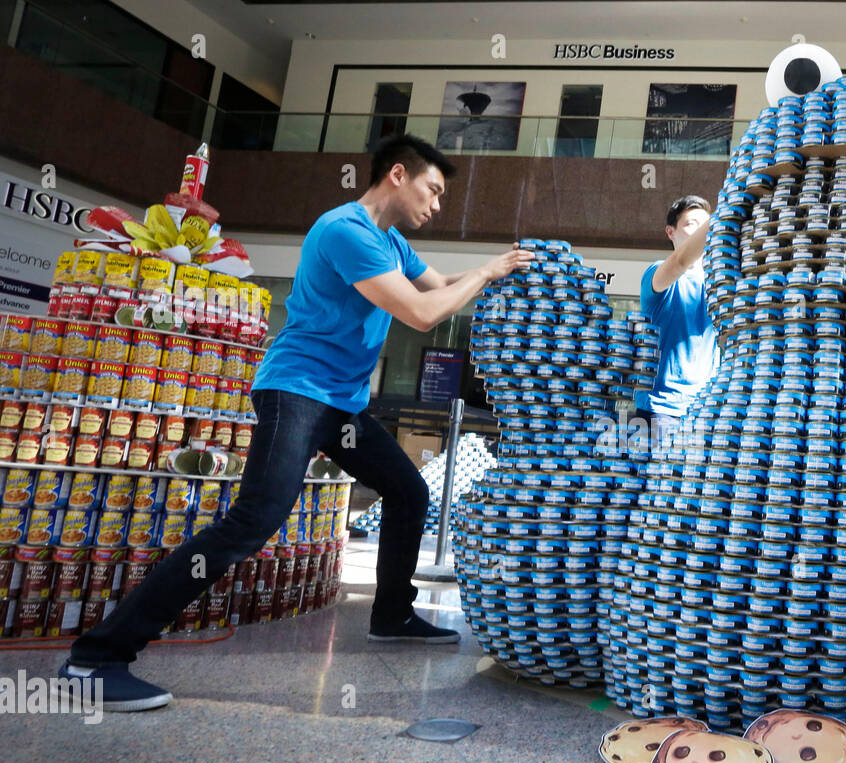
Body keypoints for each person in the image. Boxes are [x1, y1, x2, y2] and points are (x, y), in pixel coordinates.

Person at [58, 133, 533, 711]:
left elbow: (439, 285)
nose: (437, 205)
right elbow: (424, 311)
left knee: (407, 491)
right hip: (297, 392)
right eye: (433, 190)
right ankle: (97, 657)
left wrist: (512, 283)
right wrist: (487, 271)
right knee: (253, 520)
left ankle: (392, 615)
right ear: (398, 176)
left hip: (342, 406)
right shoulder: (346, 232)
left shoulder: (392, 244)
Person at [632, 195, 717, 454]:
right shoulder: (656, 274)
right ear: (671, 232)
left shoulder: (719, 283)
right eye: (693, 224)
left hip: (706, 412)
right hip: (660, 411)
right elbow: (680, 261)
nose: (704, 230)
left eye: (707, 224)